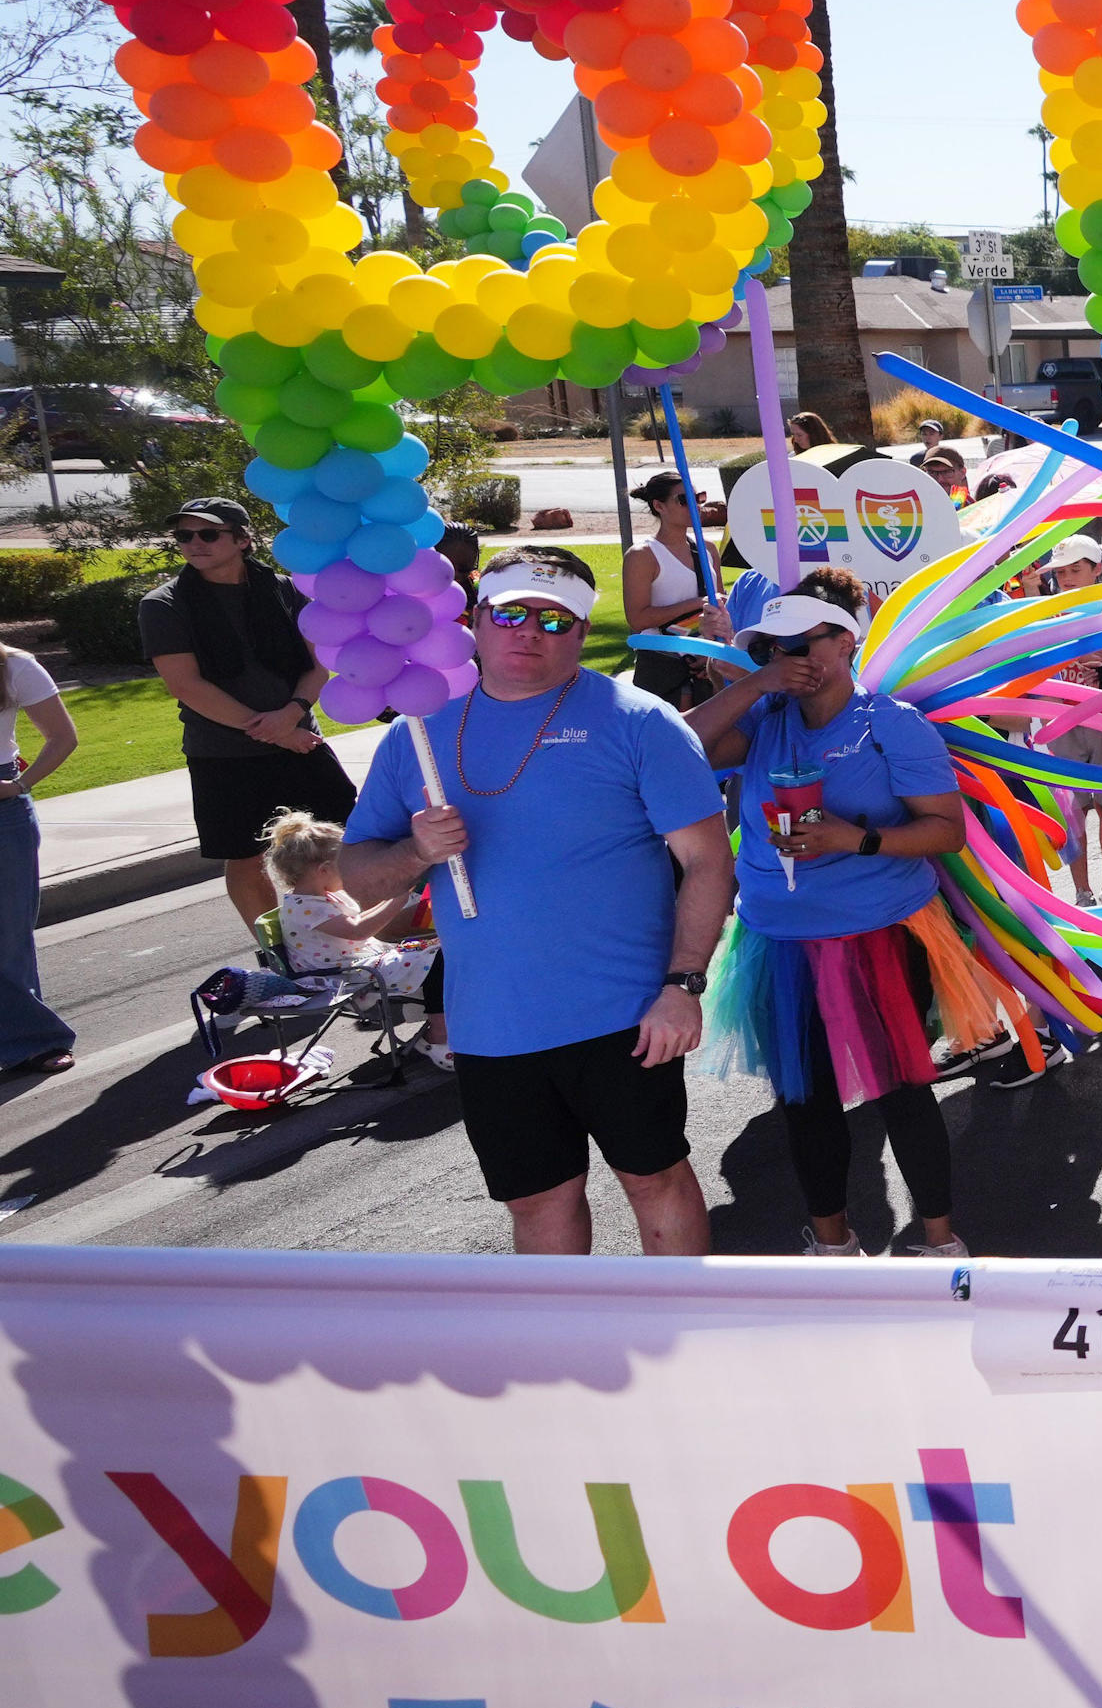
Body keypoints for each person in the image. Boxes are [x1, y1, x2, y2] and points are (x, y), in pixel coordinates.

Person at [336, 549, 732, 1255]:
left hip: (625, 1014)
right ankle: (563, 1354)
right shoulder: (417, 732)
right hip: (492, 1024)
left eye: (554, 619)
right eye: (511, 613)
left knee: (653, 1179)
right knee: (534, 1200)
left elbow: (708, 863)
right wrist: (417, 853)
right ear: (476, 622)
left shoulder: (639, 721)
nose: (529, 632)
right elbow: (361, 878)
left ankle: (685, 1339)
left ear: (581, 633)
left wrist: (683, 986)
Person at [687, 573, 1000, 1258]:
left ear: (844, 640)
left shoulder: (889, 724)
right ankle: (832, 1242)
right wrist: (751, 685)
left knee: (902, 1091)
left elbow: (945, 830)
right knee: (806, 1099)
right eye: (772, 647)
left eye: (802, 643)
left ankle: (941, 1240)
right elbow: (680, 751)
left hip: (878, 935)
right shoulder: (764, 718)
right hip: (780, 940)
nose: (789, 657)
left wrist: (850, 837)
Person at [142, 496, 355, 939]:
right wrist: (278, 733)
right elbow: (187, 686)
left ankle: (359, 936)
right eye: (184, 535)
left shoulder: (289, 590)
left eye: (208, 533)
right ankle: (281, 953)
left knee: (348, 839)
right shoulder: (163, 605)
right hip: (223, 755)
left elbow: (318, 665)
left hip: (300, 740)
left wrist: (293, 714)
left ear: (242, 539)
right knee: (245, 857)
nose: (194, 543)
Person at [258, 810, 446, 1059]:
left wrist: (395, 894)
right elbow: (358, 930)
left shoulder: (323, 896)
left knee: (440, 948)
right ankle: (439, 1035)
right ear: (323, 870)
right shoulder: (303, 907)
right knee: (437, 960)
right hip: (340, 976)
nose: (349, 872)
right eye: (344, 867)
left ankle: (426, 1010)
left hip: (358, 963)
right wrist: (398, 899)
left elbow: (359, 922)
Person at [1033, 536, 1102, 906]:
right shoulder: (1045, 611)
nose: (1068, 578)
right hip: (1063, 720)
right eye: (1061, 572)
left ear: (1097, 569)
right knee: (1072, 811)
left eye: (1077, 569)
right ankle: (1082, 891)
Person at [0, 643, 78, 1077]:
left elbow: (62, 736)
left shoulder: (13, 666)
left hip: (3, 811)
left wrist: (21, 784)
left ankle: (35, 1039)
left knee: (6, 936)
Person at [623, 471, 728, 710]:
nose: (695, 505)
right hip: (663, 666)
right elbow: (638, 619)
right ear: (659, 506)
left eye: (698, 498)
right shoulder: (643, 555)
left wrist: (709, 656)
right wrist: (696, 603)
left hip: (706, 663)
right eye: (684, 500)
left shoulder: (708, 550)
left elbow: (721, 610)